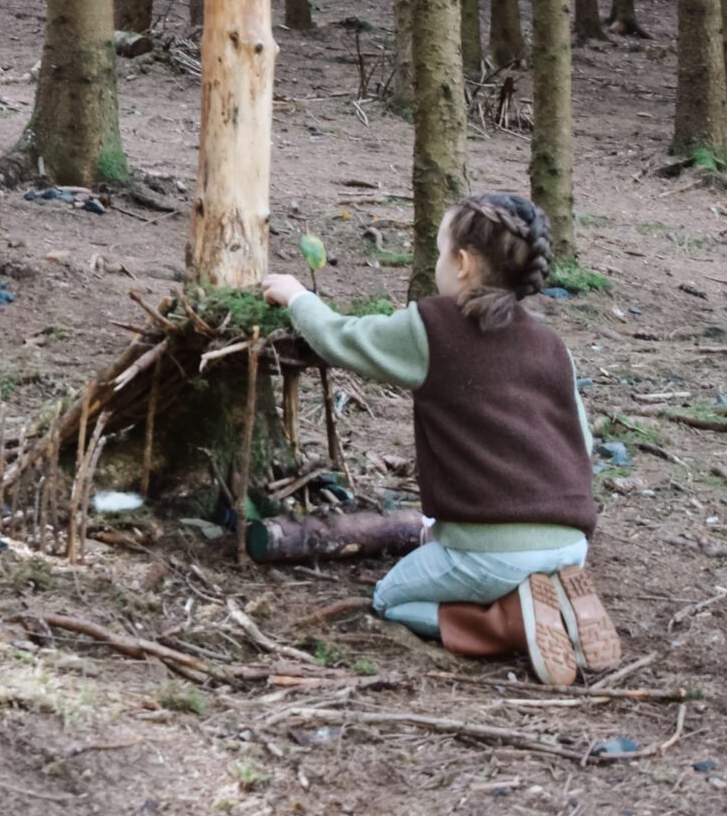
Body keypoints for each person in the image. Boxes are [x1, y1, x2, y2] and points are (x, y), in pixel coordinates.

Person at [263, 191, 619, 689]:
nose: (435, 263)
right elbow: (579, 440)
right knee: (476, 558)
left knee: (393, 598)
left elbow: (345, 338)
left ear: (463, 263)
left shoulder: (431, 326)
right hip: (570, 544)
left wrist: (297, 296)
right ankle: (553, 597)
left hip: (491, 550)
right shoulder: (551, 345)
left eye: (437, 251)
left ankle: (511, 622)